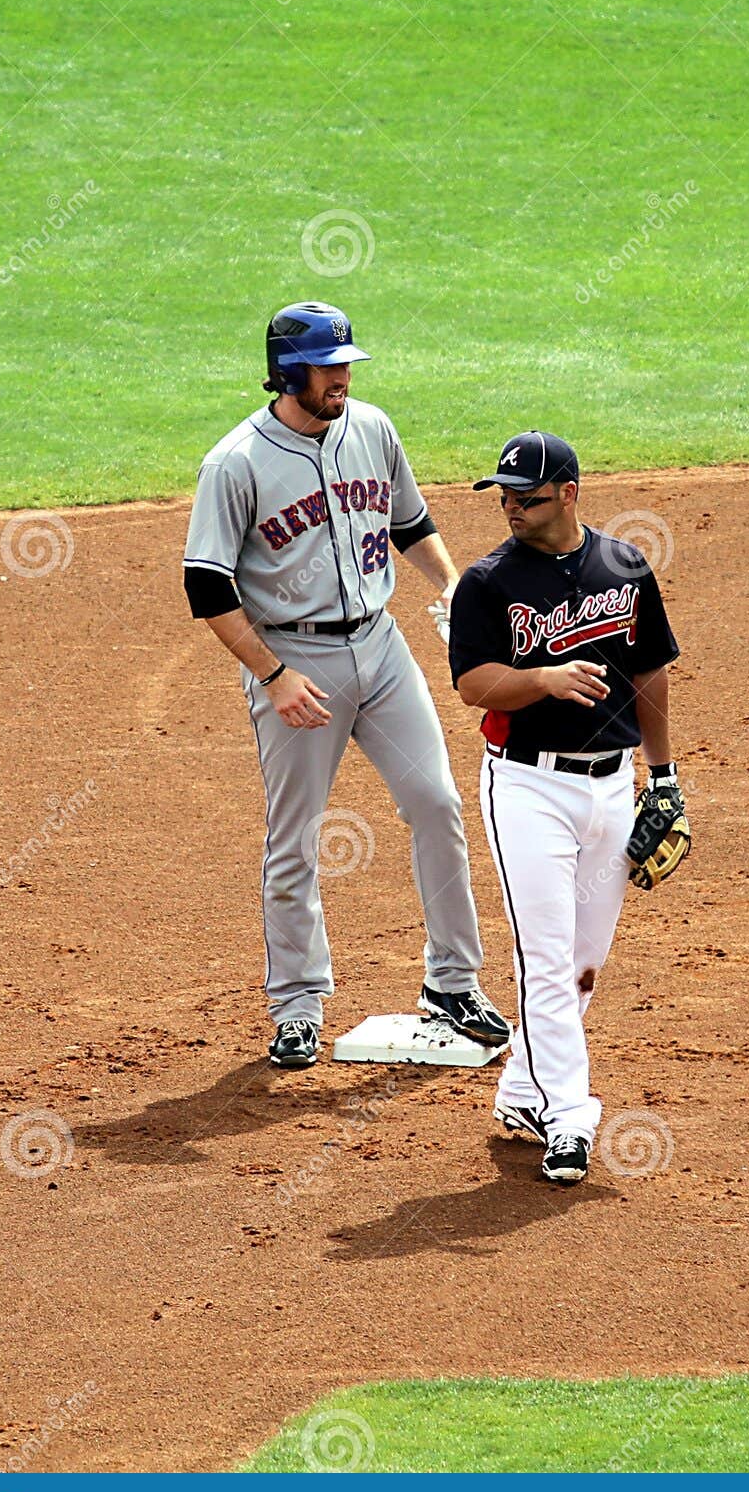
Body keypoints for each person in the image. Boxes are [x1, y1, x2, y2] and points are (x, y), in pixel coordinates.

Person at [182, 301, 508, 1068]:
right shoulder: (235, 463)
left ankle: (453, 984)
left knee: (438, 802)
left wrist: (453, 587)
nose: (344, 378)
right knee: (295, 836)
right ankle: (297, 1004)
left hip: (382, 646)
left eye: (347, 365)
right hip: (296, 663)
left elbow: (408, 522)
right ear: (289, 373)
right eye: (331, 367)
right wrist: (273, 675)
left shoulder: (372, 428)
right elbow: (206, 587)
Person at [448, 432, 681, 1183]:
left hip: (613, 787)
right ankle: (571, 1119)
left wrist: (665, 776)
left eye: (529, 496)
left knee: (583, 966)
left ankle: (522, 1091)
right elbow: (474, 685)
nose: (512, 507)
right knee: (544, 961)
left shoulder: (624, 565)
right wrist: (543, 680)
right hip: (527, 789)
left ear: (570, 493)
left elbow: (650, 671)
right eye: (505, 496)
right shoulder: (486, 584)